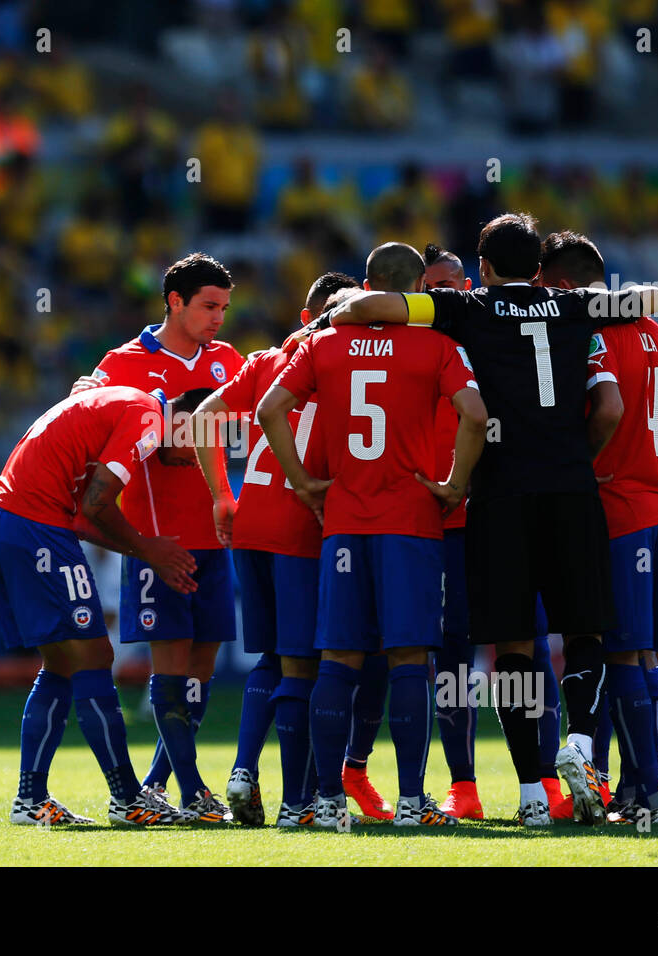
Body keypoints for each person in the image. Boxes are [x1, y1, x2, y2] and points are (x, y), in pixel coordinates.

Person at [299, 212, 658, 825]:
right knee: (584, 631)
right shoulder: (577, 309)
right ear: (541, 269)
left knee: (512, 646)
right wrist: (578, 453)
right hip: (572, 487)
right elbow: (638, 335)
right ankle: (578, 742)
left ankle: (529, 794)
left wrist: (340, 310)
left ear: (486, 268)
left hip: (499, 495)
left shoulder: (465, 308)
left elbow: (377, 308)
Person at [259, 253, 488, 830]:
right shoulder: (435, 344)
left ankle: (325, 802)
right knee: (410, 657)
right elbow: (475, 414)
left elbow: (269, 409)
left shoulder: (322, 345)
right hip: (410, 519)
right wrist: (455, 484)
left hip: (343, 519)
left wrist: (305, 481)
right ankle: (412, 800)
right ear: (416, 294)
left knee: (338, 658)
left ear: (367, 288)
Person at [540, 230, 658, 825]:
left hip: (617, 510)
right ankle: (648, 790)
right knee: (646, 657)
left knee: (622, 656)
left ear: (562, 283)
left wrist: (584, 463)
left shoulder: (592, 337)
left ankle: (648, 797)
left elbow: (604, 411)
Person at [0, 384, 203, 826]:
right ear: (186, 420)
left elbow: (83, 516)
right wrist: (149, 548)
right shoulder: (146, 417)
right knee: (96, 654)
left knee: (63, 663)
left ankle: (31, 799)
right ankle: (126, 797)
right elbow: (96, 503)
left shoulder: (122, 404)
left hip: (6, 521)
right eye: (201, 442)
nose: (196, 457)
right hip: (35, 526)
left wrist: (144, 551)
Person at [192, 270, 360, 827]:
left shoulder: (265, 360)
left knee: (270, 659)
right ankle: (297, 804)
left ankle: (243, 768)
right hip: (299, 528)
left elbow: (202, 417)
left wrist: (222, 496)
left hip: (250, 524)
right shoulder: (345, 361)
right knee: (302, 665)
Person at [82, 253, 244, 824]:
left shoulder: (228, 362)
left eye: (224, 308)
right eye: (208, 306)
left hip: (216, 537)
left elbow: (238, 429)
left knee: (202, 668)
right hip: (158, 541)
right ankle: (195, 790)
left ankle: (154, 784)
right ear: (174, 301)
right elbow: (86, 418)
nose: (218, 318)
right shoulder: (124, 363)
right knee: (169, 668)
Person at [422, 243, 562, 820]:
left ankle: (546, 779)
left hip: (501, 508)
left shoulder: (492, 333)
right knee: (453, 654)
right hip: (441, 524)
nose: (446, 297)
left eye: (455, 285)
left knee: (525, 644)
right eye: (432, 291)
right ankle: (464, 784)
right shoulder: (408, 348)